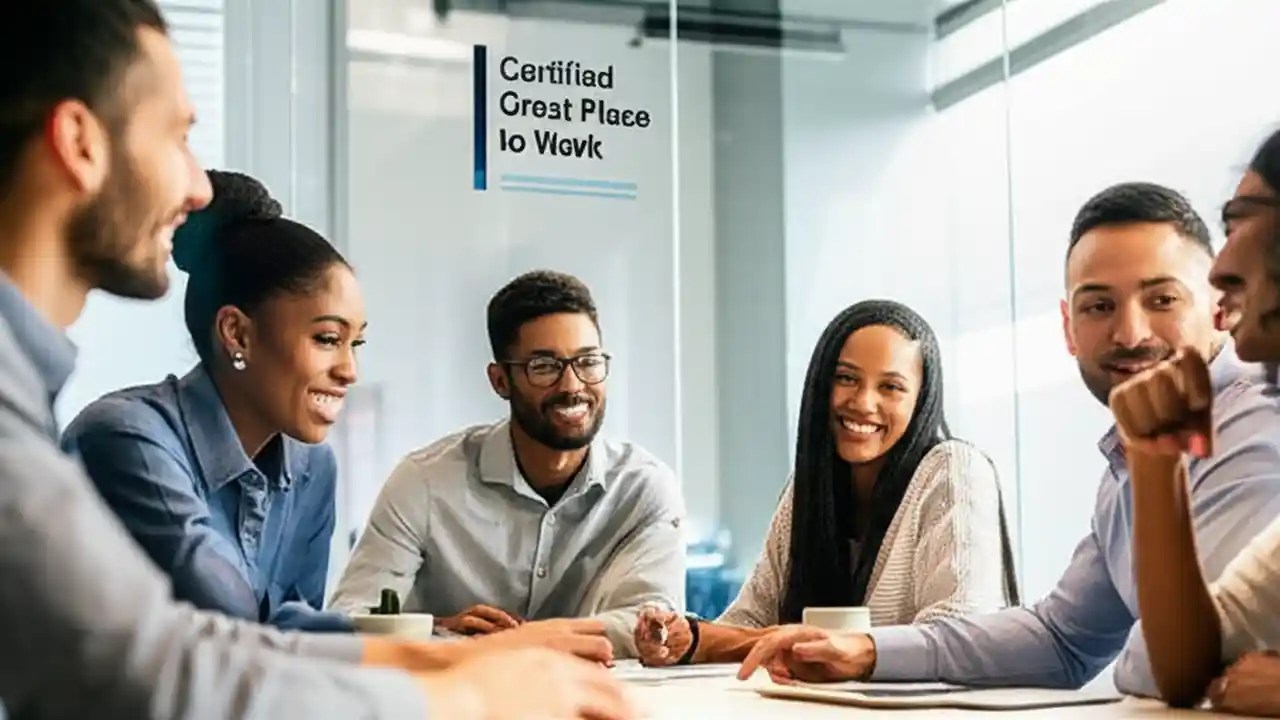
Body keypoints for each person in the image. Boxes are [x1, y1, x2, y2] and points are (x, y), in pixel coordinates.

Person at [0, 3, 632, 719]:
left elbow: (255, 636)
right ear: (79, 142)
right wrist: (466, 692)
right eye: (176, 136)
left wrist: (457, 658)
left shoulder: (27, 388)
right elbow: (161, 664)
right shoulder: (103, 429)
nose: (199, 187)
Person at [733, 182, 1280, 702]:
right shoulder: (1128, 461)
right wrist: (868, 651)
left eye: (1161, 299)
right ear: (1068, 328)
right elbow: (1061, 637)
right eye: (1098, 306)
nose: (1130, 333)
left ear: (1219, 306)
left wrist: (1158, 659)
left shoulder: (1253, 424)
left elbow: (1189, 662)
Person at [632, 299, 1018, 666]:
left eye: (891, 387)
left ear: (921, 401)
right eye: (846, 378)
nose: (863, 403)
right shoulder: (810, 488)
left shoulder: (954, 470)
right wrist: (685, 638)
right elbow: (752, 619)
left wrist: (748, 641)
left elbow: (958, 636)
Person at [330, 269, 686, 655]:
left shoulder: (642, 488)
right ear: (500, 381)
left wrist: (521, 641)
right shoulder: (424, 483)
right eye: (544, 367)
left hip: (597, 691)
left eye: (587, 361)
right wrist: (439, 632)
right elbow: (349, 622)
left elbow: (656, 628)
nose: (572, 385)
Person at [61, 169, 357, 632]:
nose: (349, 370)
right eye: (327, 339)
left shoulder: (312, 468)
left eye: (355, 343)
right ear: (236, 333)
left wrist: (432, 635)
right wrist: (411, 645)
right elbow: (230, 620)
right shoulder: (125, 438)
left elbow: (299, 642)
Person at [1107, 128, 1280, 715]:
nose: (1221, 269)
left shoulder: (1248, 422)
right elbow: (1188, 668)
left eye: (1240, 224)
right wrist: (1156, 461)